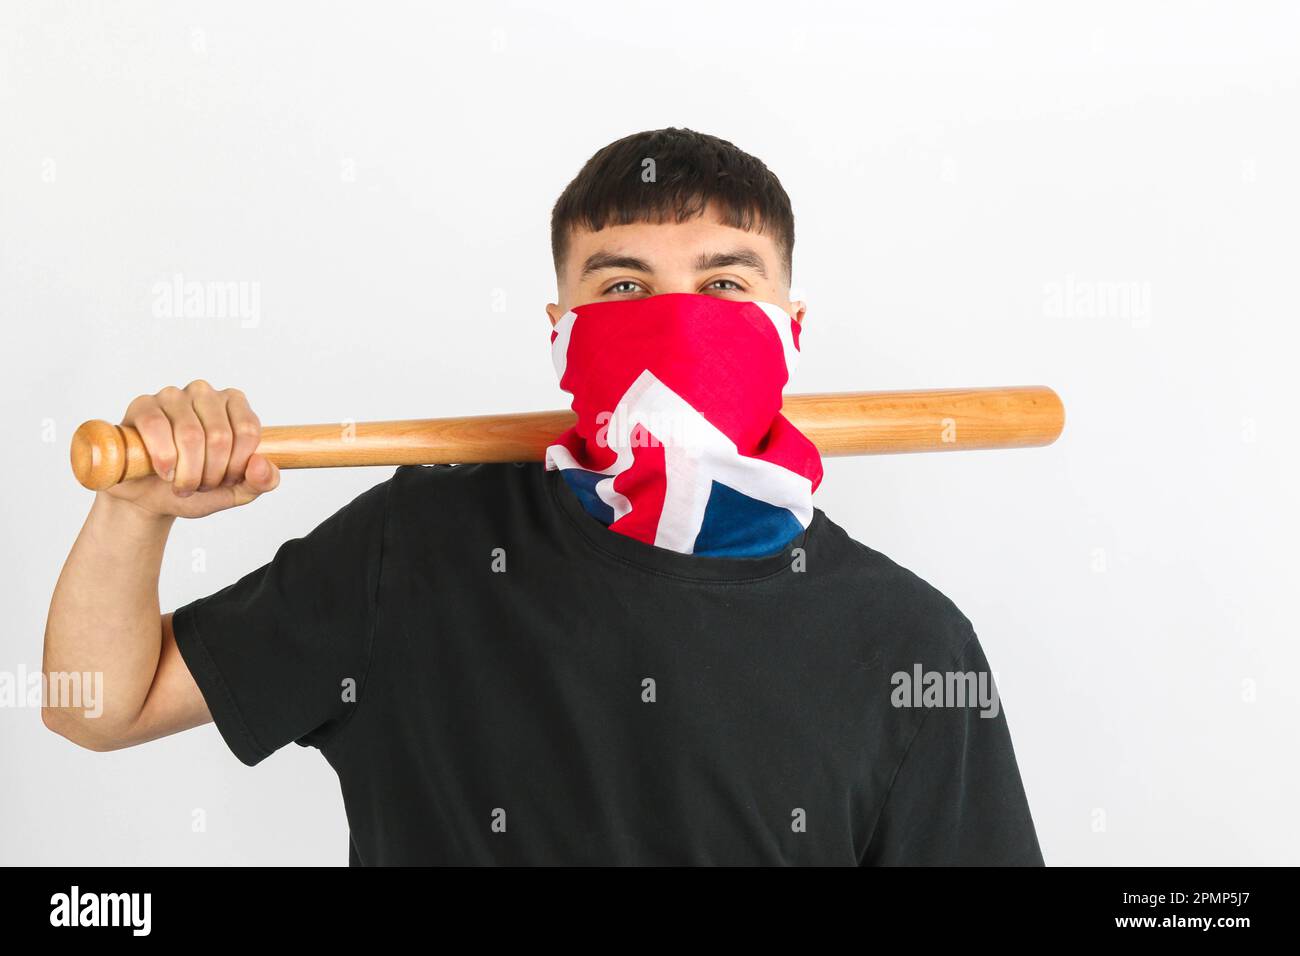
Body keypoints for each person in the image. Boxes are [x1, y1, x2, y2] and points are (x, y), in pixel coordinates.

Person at [42, 127, 1044, 866]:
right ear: (560, 329)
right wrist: (137, 511)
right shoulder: (417, 544)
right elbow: (97, 705)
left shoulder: (910, 644)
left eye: (725, 286)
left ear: (792, 326)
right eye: (623, 289)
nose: (676, 325)